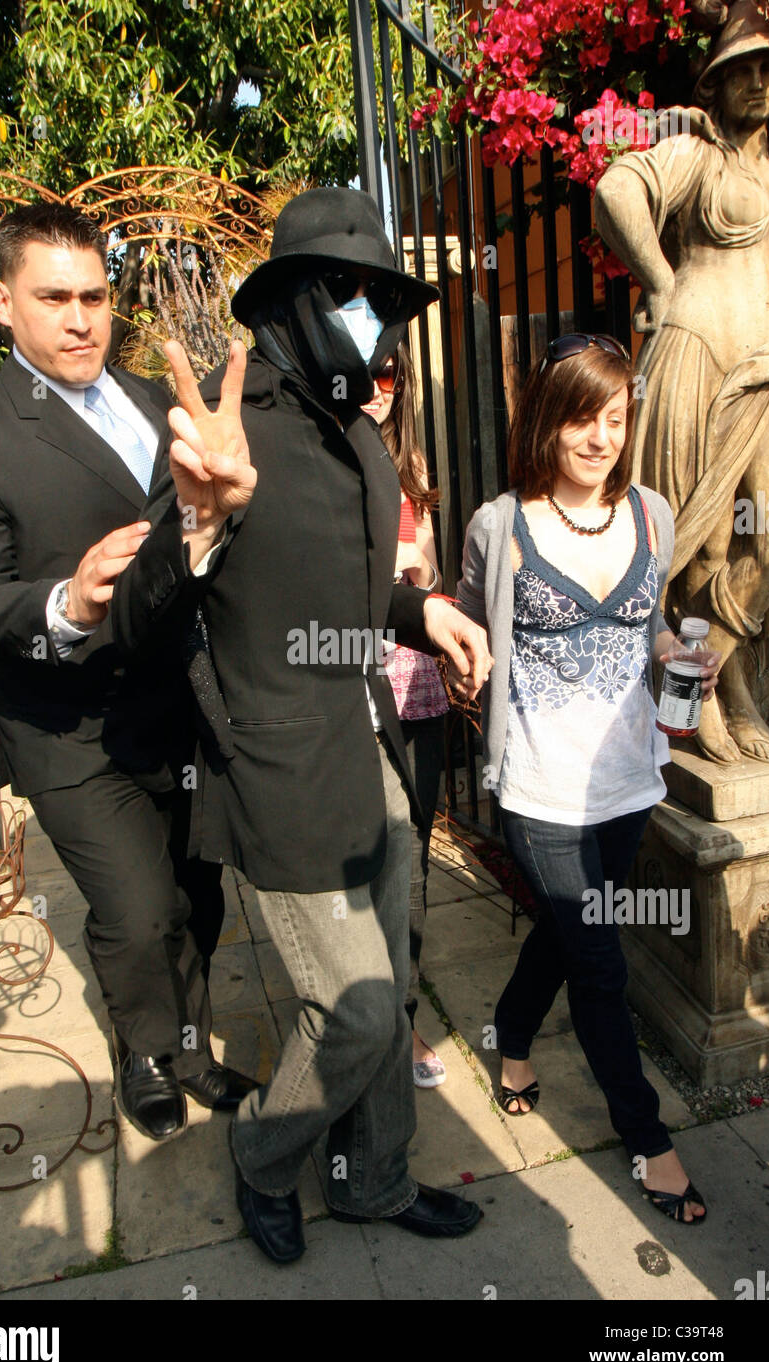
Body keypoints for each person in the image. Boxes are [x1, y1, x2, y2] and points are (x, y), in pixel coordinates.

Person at [109, 185, 493, 1263]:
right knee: (354, 1014)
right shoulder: (228, 437)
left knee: (390, 977)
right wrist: (197, 521)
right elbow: (141, 614)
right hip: (275, 777)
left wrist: (431, 613)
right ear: (288, 301)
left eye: (382, 295)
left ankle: (371, 1180)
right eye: (348, 290)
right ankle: (265, 1158)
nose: (370, 314)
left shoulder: (354, 431)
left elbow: (355, 589)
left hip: (366, 747)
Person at [0, 201, 256, 1145]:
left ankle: (190, 1050)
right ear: (2, 302)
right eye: (53, 297)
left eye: (94, 296)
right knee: (137, 911)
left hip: (179, 712)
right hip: (67, 727)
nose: (79, 318)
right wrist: (67, 603)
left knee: (195, 896)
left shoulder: (158, 401)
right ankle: (142, 1053)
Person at [456, 333, 719, 1224]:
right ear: (548, 419)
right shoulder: (501, 524)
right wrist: (467, 662)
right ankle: (648, 1140)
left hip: (629, 779)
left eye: (616, 418)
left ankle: (514, 1036)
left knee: (575, 933)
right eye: (582, 417)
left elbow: (649, 626)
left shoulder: (651, 512)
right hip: (539, 787)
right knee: (603, 964)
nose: (601, 437)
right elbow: (467, 623)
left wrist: (684, 655)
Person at [595, 0, 769, 764]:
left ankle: (724, 681)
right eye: (742, 72)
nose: (760, 84)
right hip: (696, 354)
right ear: (716, 84)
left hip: (765, 372)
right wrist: (660, 282)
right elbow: (613, 191)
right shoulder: (697, 154)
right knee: (692, 545)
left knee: (763, 541)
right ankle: (701, 702)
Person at [361, 343, 449, 1087]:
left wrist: (424, 577)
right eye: (361, 373)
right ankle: (356, 1022)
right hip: (345, 696)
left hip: (413, 689)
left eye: (389, 373)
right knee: (354, 868)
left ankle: (406, 1023)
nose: (375, 389)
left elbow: (432, 587)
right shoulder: (310, 467)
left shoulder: (411, 472)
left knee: (411, 858)